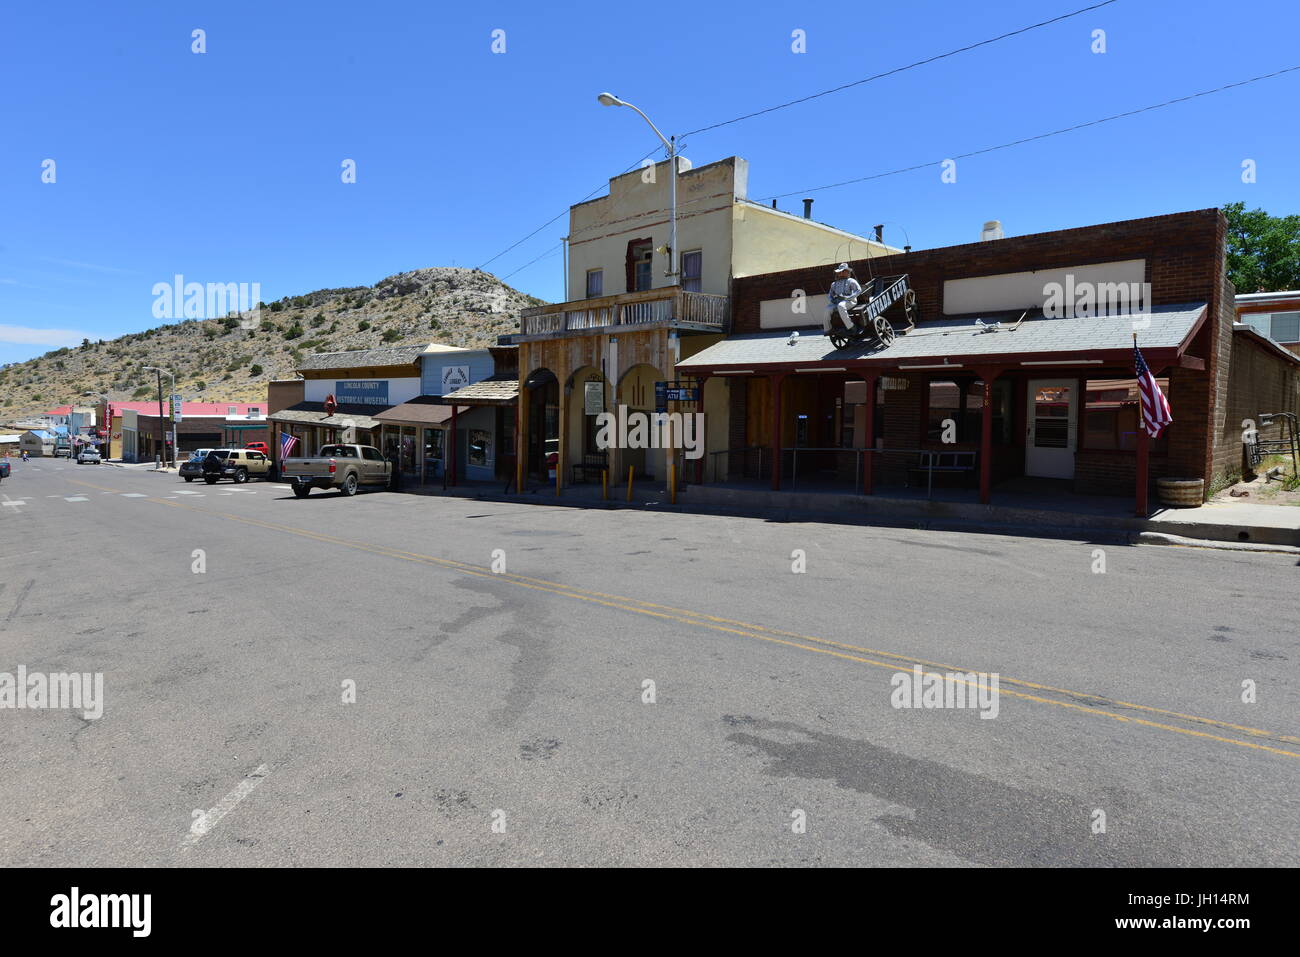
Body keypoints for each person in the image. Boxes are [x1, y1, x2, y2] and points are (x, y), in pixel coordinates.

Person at [824, 263, 863, 334]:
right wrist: (832, 300)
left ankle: (851, 326)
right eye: (840, 272)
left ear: (847, 272)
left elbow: (858, 290)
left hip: (850, 301)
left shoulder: (851, 281)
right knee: (827, 309)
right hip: (837, 301)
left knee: (841, 306)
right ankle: (828, 329)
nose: (841, 273)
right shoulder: (834, 284)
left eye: (843, 271)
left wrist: (848, 297)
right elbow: (830, 294)